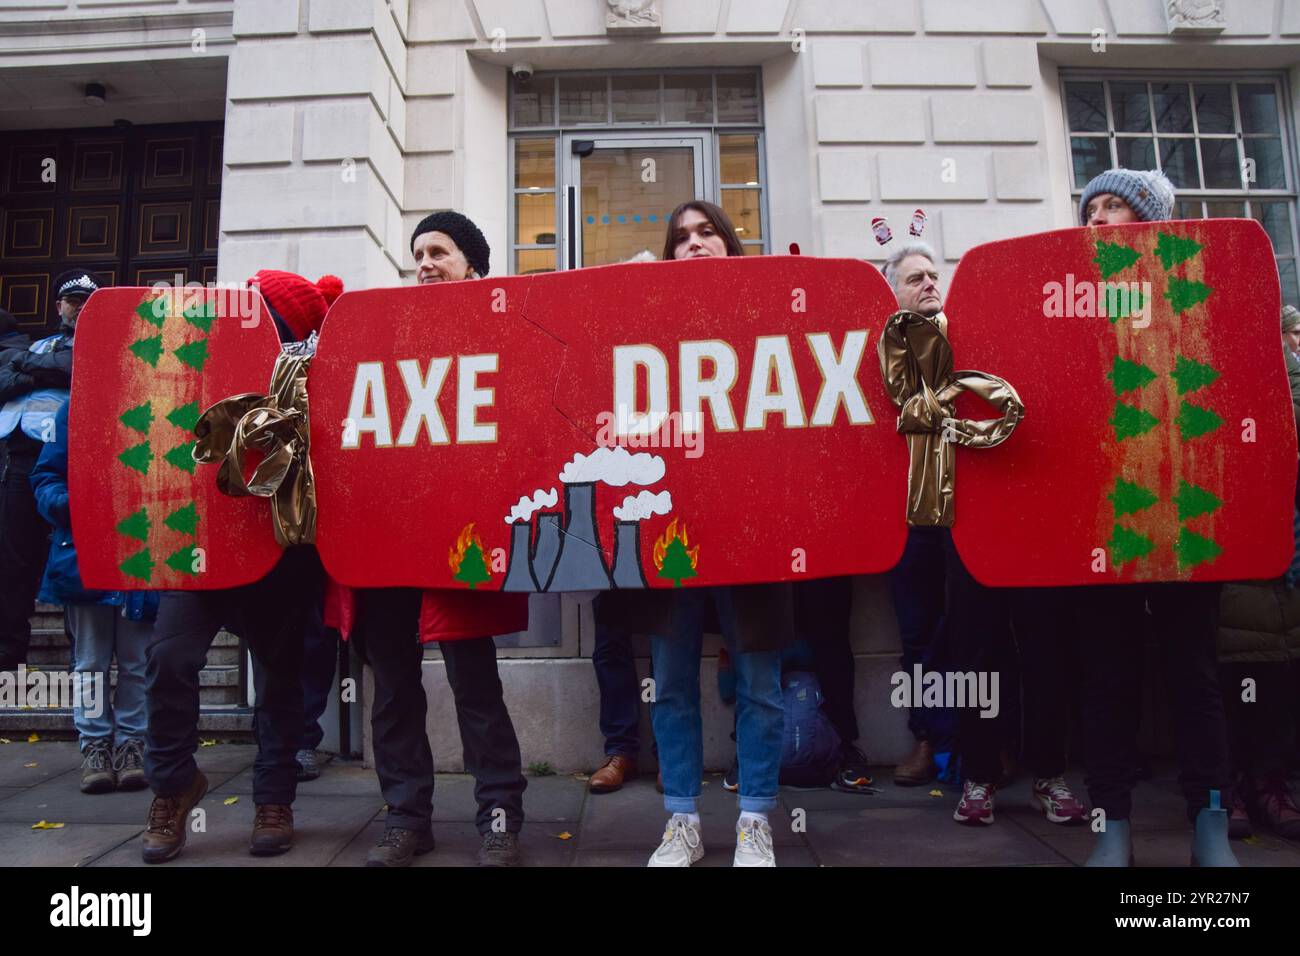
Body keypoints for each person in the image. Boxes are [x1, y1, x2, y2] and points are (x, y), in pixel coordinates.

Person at [140, 271, 340, 863]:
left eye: (262, 311)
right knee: (168, 660)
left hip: (278, 552)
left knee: (278, 678)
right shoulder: (199, 363)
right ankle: (173, 787)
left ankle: (273, 800)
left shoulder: (315, 375)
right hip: (201, 545)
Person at [352, 211, 530, 868]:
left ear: (473, 267)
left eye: (440, 251)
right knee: (394, 685)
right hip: (386, 542)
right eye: (417, 252)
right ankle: (405, 816)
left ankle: (501, 813)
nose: (424, 262)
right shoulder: (384, 335)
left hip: (458, 541)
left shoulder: (500, 334)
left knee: (473, 680)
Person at [1076, 168, 1238, 866]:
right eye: (1092, 208)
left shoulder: (1196, 293)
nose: (1099, 219)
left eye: (1115, 207)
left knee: (1193, 672)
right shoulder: (1074, 307)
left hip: (1183, 508)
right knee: (1105, 675)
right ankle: (1111, 822)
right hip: (1099, 516)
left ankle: (1210, 820)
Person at [645, 200, 786, 868]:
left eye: (707, 234)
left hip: (750, 529)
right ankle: (682, 821)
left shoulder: (761, 316)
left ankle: (755, 818)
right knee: (671, 680)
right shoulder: (650, 322)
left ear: (729, 244)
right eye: (681, 238)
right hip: (669, 526)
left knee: (759, 680)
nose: (694, 245)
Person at [31, 399, 157, 793]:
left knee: (136, 660)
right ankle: (97, 747)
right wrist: (75, 506)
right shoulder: (76, 406)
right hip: (87, 552)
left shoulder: (152, 399)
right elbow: (46, 477)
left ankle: (130, 744)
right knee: (90, 662)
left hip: (139, 551)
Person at [1214, 305, 1300, 841]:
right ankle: (1230, 788)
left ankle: (1270, 784)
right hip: (1226, 545)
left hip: (1283, 552)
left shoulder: (1287, 371)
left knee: (1278, 679)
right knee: (1230, 680)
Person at [0, 273, 91, 671]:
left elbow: (77, 367)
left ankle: (83, 658)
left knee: (73, 552)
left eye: (87, 300)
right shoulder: (36, 345)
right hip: (19, 456)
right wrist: (40, 368)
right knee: (13, 556)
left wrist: (28, 367)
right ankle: (8, 654)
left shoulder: (100, 342)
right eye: (72, 300)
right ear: (58, 306)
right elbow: (3, 378)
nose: (79, 307)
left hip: (67, 457)